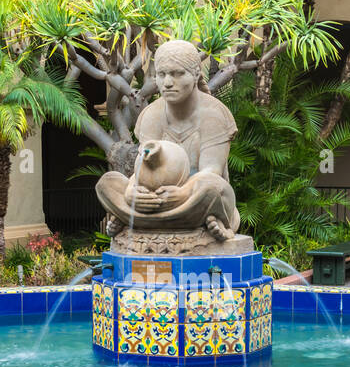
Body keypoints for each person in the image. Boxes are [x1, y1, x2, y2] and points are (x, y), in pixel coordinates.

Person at [96, 40, 241, 240]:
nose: (167, 82)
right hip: (158, 197)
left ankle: (136, 219)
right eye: (162, 74)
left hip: (195, 197)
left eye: (177, 73)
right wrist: (132, 192)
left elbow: (211, 172)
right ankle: (157, 216)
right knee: (108, 184)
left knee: (211, 187)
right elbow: (142, 169)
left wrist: (183, 194)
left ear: (196, 74)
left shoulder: (214, 115)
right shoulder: (151, 115)